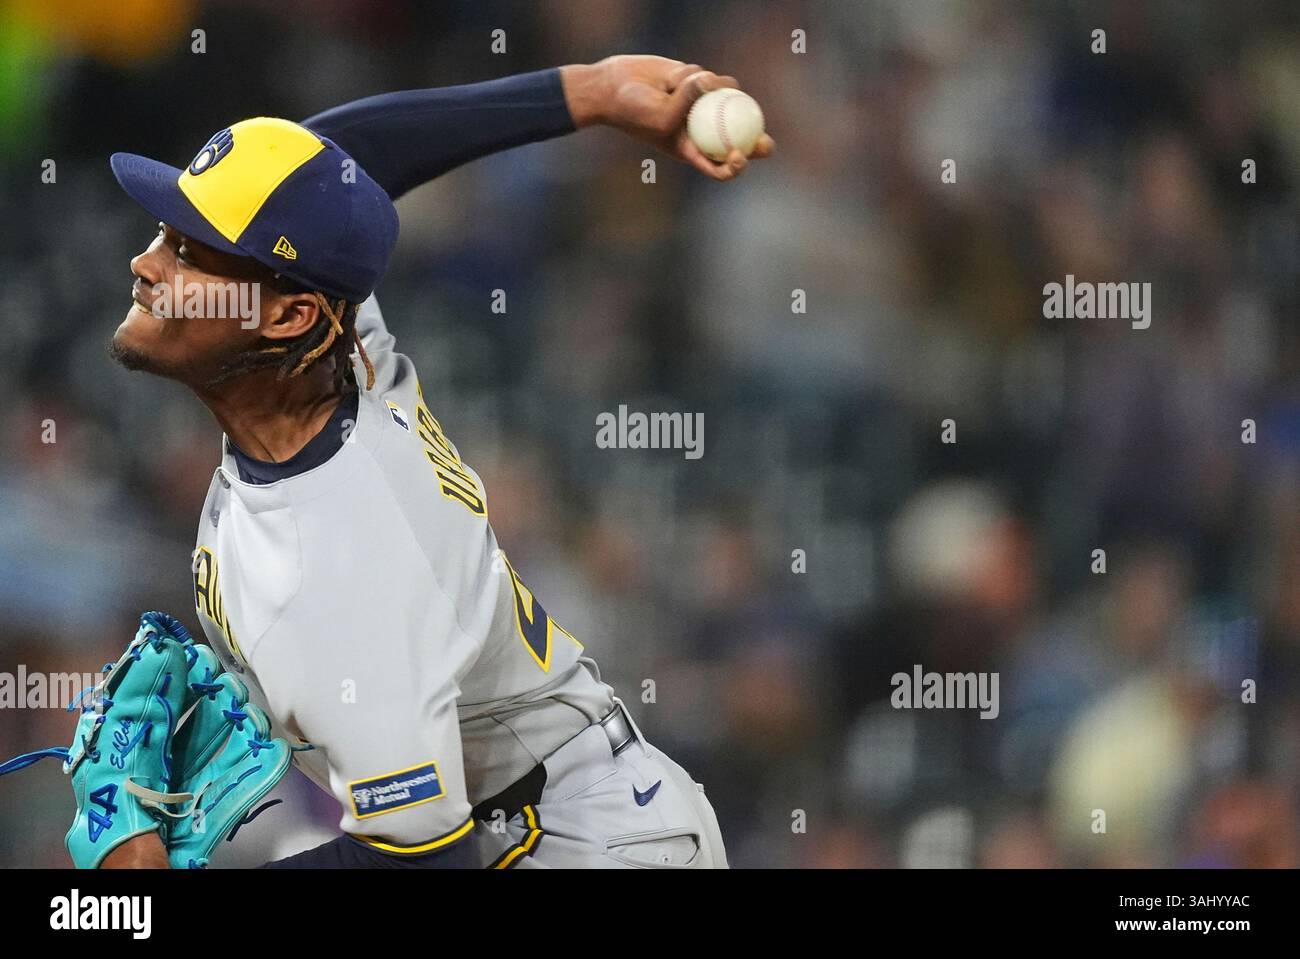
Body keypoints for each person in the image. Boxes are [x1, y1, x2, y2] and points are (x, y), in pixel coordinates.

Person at [101, 56, 772, 868]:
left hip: (575, 845)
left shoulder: (342, 561)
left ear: (286, 316)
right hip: (530, 812)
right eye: (167, 233)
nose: (148, 263)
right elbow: (324, 172)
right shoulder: (343, 348)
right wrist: (588, 93)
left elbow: (419, 862)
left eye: (189, 251)